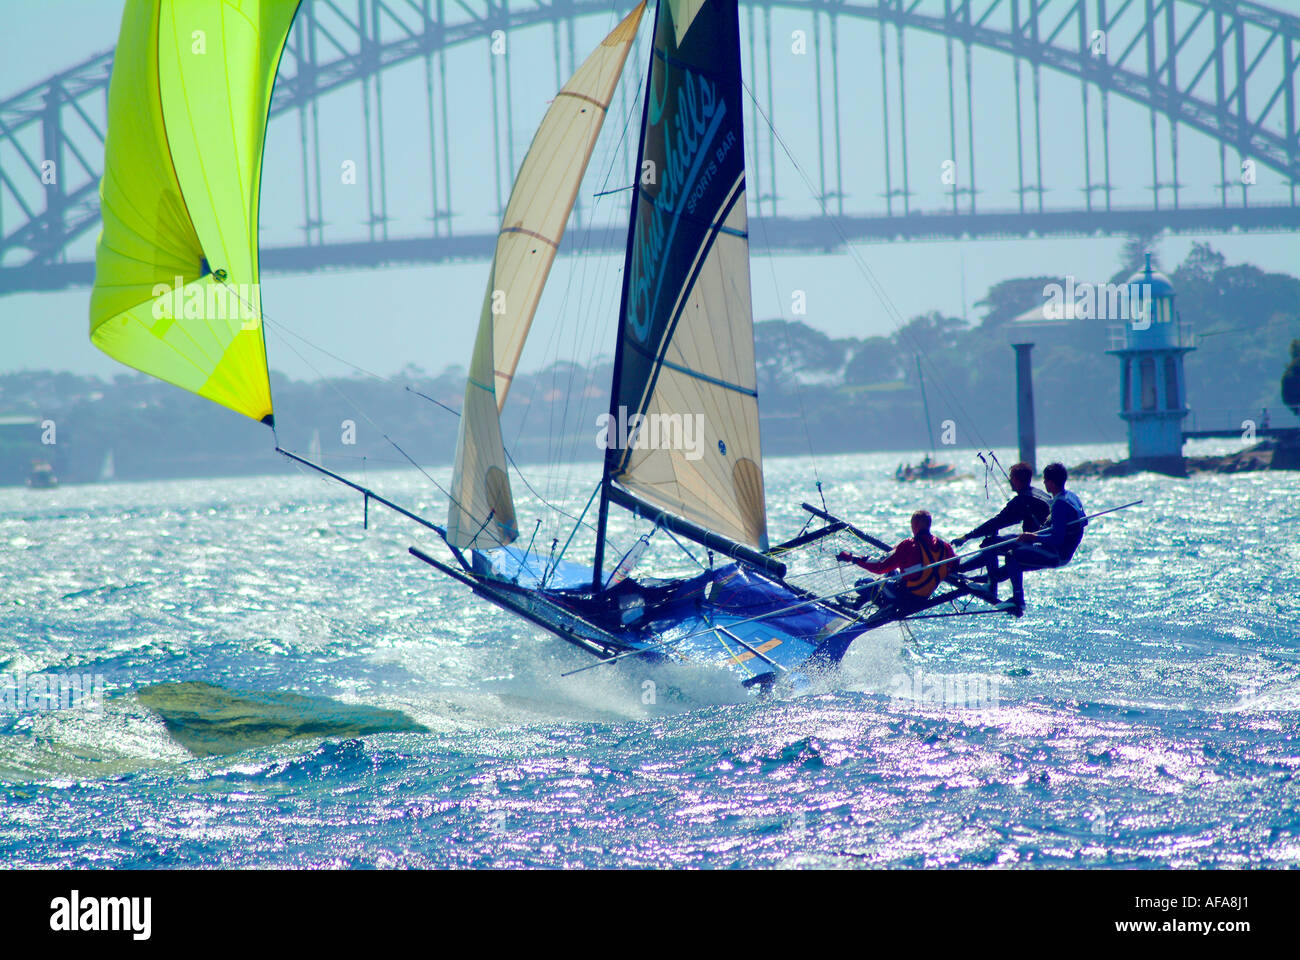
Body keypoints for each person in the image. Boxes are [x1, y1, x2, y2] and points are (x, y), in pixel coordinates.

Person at [1004, 461, 1087, 616]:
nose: (1043, 483)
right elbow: (1082, 522)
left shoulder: (1059, 504)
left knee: (1012, 555)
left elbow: (1056, 538)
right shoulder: (1071, 497)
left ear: (1051, 482)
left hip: (1057, 553)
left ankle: (1017, 599)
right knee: (1013, 563)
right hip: (1064, 552)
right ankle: (987, 581)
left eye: (1045, 480)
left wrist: (1033, 536)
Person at [836, 510, 956, 612]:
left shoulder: (910, 545)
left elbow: (879, 567)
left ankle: (882, 606)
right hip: (923, 597)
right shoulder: (945, 546)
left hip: (904, 599)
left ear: (915, 524)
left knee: (862, 583)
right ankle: (858, 603)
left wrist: (852, 558)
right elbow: (955, 564)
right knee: (891, 573)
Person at [953, 461, 1051, 585]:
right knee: (995, 543)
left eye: (1011, 478)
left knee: (990, 544)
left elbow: (998, 521)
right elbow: (1005, 520)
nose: (1010, 481)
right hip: (1040, 540)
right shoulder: (1038, 493)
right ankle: (967, 572)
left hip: (1036, 544)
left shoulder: (1023, 500)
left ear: (1016, 480)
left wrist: (967, 536)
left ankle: (990, 584)